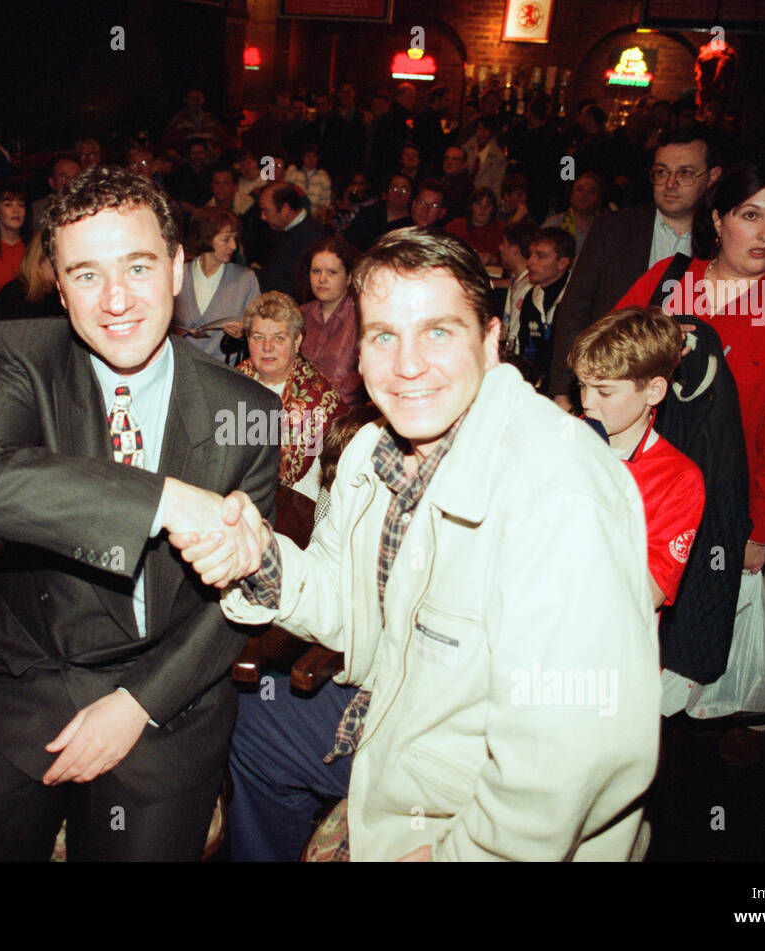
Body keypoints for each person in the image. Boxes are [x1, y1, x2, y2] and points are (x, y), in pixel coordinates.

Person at [207, 227, 660, 861]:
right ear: (359, 352)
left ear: (491, 341)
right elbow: (339, 601)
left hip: (479, 784)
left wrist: (466, 853)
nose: (407, 364)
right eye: (384, 336)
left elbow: (578, 751)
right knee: (248, 721)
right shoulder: (370, 450)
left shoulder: (561, 483)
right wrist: (259, 559)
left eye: (438, 332)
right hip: (392, 716)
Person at [0, 165, 280, 861]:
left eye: (138, 266)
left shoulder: (248, 412)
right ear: (58, 284)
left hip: (169, 696)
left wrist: (137, 704)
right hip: (31, 681)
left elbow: (238, 596)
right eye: (85, 274)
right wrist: (165, 499)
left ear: (177, 267)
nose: (115, 299)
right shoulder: (21, 356)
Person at [617, 156, 765, 572]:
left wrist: (761, 531)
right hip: (632, 485)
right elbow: (603, 362)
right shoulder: (671, 280)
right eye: (750, 215)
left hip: (717, 510)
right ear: (718, 220)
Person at [570, 306, 706, 714]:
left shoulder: (679, 479)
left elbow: (647, 593)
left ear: (654, 391)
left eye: (604, 391)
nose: (587, 404)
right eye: (582, 387)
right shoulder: (565, 438)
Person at [549, 127, 722, 407]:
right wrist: (562, 391)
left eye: (686, 173)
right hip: (609, 385)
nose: (671, 183)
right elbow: (574, 310)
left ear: (712, 178)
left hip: (688, 392)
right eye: (662, 172)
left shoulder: (722, 241)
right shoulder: (613, 229)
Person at [234, 291, 343, 501]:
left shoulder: (324, 402)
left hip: (292, 509)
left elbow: (320, 486)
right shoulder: (228, 384)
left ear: (297, 341)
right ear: (248, 340)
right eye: (258, 337)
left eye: (278, 338)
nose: (267, 347)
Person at [172, 206, 260, 363]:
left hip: (224, 372)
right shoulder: (178, 274)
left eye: (235, 239)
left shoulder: (245, 279)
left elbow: (259, 330)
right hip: (181, 365)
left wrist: (243, 331)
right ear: (206, 238)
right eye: (226, 239)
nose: (233, 246)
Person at [297, 234, 363, 406]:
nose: (322, 279)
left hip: (346, 418)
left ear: (349, 277)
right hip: (300, 411)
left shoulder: (363, 317)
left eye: (332, 272)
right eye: (316, 271)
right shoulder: (300, 314)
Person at [515, 226, 574, 389]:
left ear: (562, 262)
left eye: (540, 256)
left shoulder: (576, 299)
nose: (530, 262)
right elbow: (524, 346)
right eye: (531, 255)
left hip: (568, 387)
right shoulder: (531, 298)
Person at [257, 183, 323, 298]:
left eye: (266, 211)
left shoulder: (311, 237)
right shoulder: (287, 230)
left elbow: (293, 286)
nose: (262, 217)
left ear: (285, 209)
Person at [0, 226, 65, 321]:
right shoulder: (12, 296)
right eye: (54, 259)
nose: (61, 265)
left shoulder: (57, 297)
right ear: (38, 259)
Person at [543, 171, 607, 257]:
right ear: (571, 197)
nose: (584, 194)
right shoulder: (554, 224)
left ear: (599, 200)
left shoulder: (605, 227)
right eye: (579, 189)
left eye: (591, 191)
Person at [343, 173, 413, 251]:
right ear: (386, 191)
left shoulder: (412, 222)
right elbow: (349, 240)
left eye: (404, 190)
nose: (398, 194)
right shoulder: (369, 213)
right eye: (394, 188)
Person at [446, 186, 504, 265]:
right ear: (471, 206)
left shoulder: (501, 230)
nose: (482, 209)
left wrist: (493, 260)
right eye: (478, 204)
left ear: (493, 209)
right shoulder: (455, 226)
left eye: (488, 205)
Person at [30, 155, 82, 227]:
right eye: (64, 177)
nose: (70, 182)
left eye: (75, 177)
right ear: (52, 182)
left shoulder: (90, 208)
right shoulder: (36, 211)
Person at [285, 145, 332, 221]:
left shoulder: (323, 176)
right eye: (308, 156)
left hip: (313, 219)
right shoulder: (293, 171)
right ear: (302, 157)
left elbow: (325, 204)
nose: (311, 159)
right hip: (293, 217)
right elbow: (286, 194)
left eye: (314, 157)